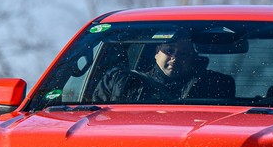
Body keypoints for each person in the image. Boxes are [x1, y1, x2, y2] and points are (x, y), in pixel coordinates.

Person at [93, 37, 234, 102]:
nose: (175, 58)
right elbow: (96, 118)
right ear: (157, 52)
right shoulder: (120, 81)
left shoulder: (213, 86)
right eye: (169, 51)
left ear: (192, 59)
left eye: (183, 54)